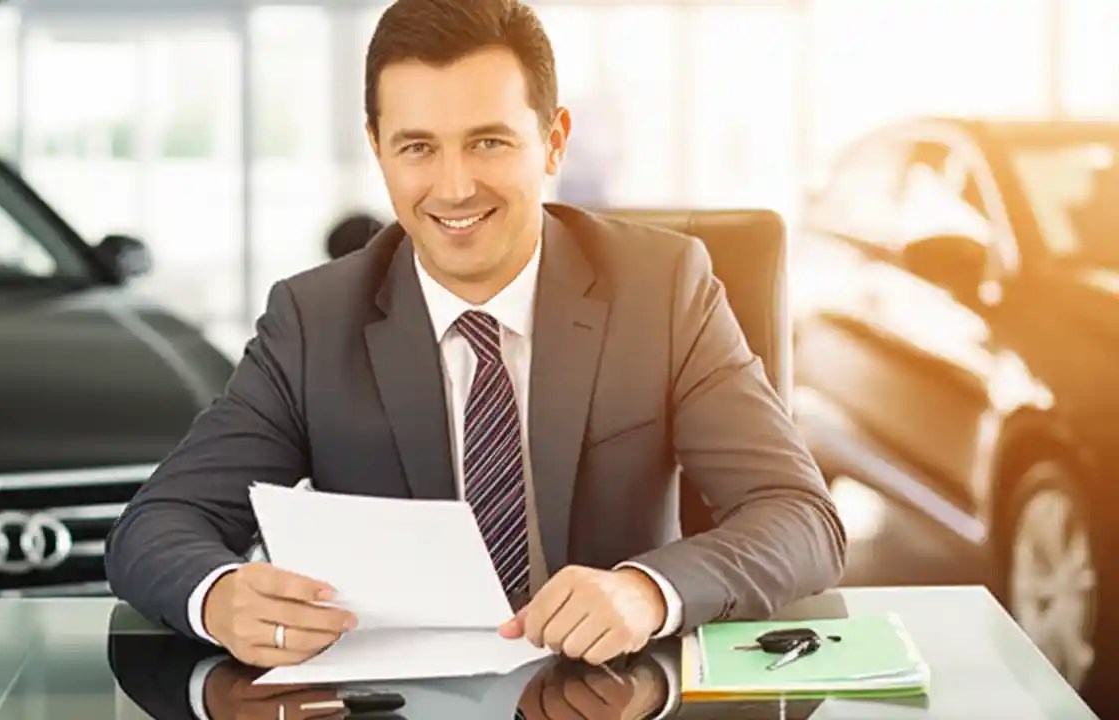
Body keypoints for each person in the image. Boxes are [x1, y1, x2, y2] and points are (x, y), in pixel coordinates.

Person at [105, 0, 845, 672]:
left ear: (552, 142)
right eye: (418, 147)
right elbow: (158, 525)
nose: (454, 187)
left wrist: (648, 592)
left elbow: (801, 517)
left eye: (488, 142)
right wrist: (220, 593)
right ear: (378, 148)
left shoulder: (661, 289)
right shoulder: (312, 321)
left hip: (607, 693)